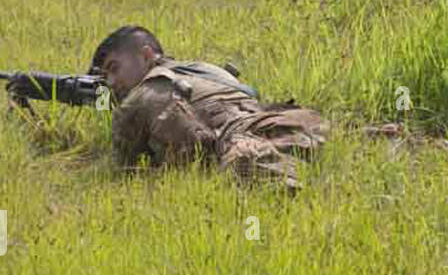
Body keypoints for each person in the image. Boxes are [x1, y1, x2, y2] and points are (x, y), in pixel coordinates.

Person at [92, 26, 329, 191]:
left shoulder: (145, 92)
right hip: (294, 121)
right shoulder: (204, 69)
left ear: (146, 55)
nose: (112, 83)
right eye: (105, 78)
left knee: (273, 197)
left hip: (245, 144)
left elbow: (126, 166)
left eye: (114, 68)